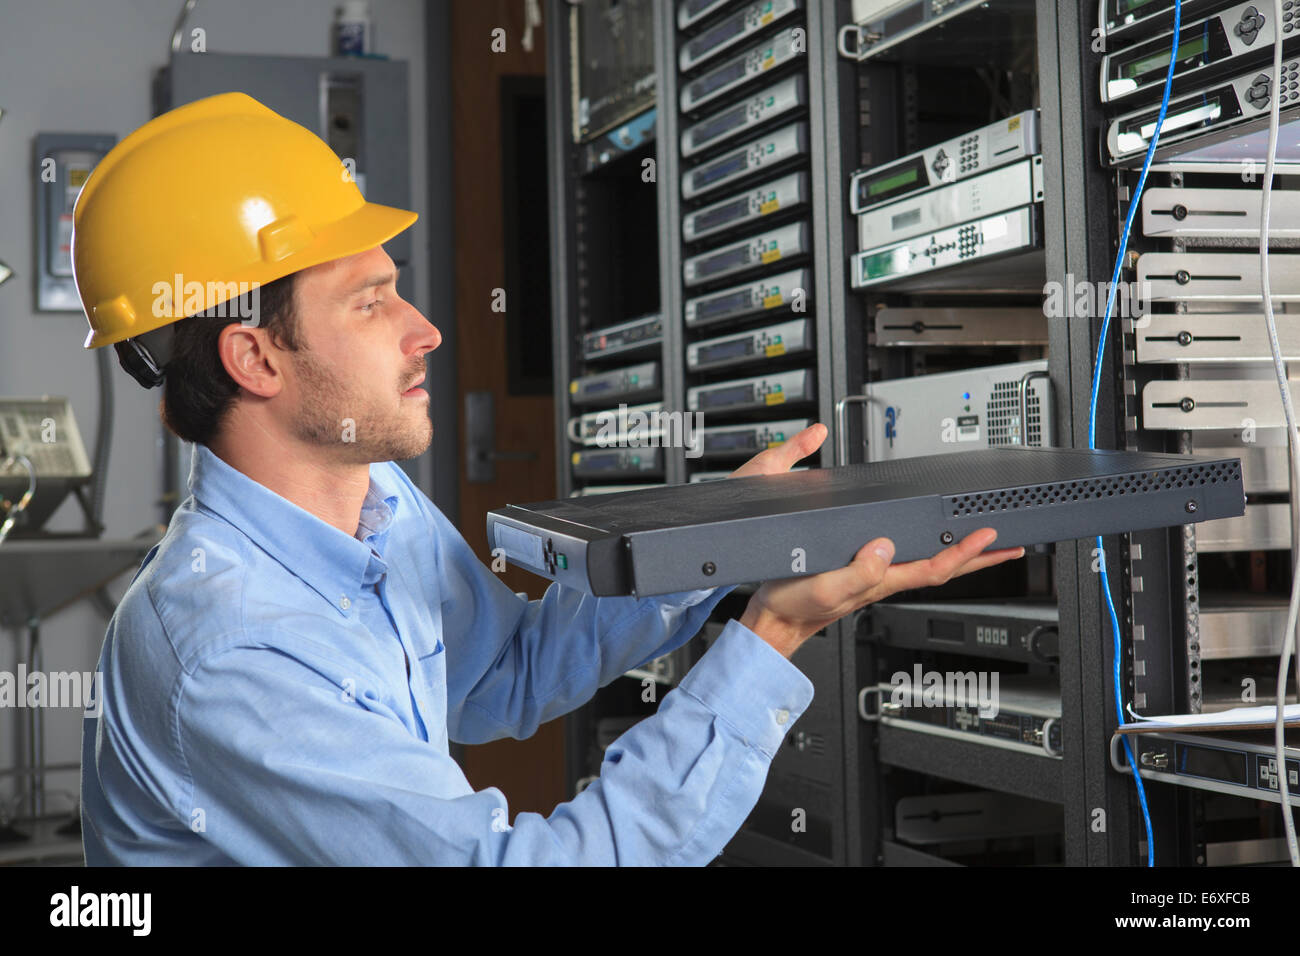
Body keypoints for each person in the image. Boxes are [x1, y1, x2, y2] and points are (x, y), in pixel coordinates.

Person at [73, 92, 1023, 865]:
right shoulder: (231, 650)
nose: (425, 330)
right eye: (370, 303)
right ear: (256, 360)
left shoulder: (373, 502)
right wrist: (775, 631)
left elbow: (500, 675)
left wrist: (727, 536)